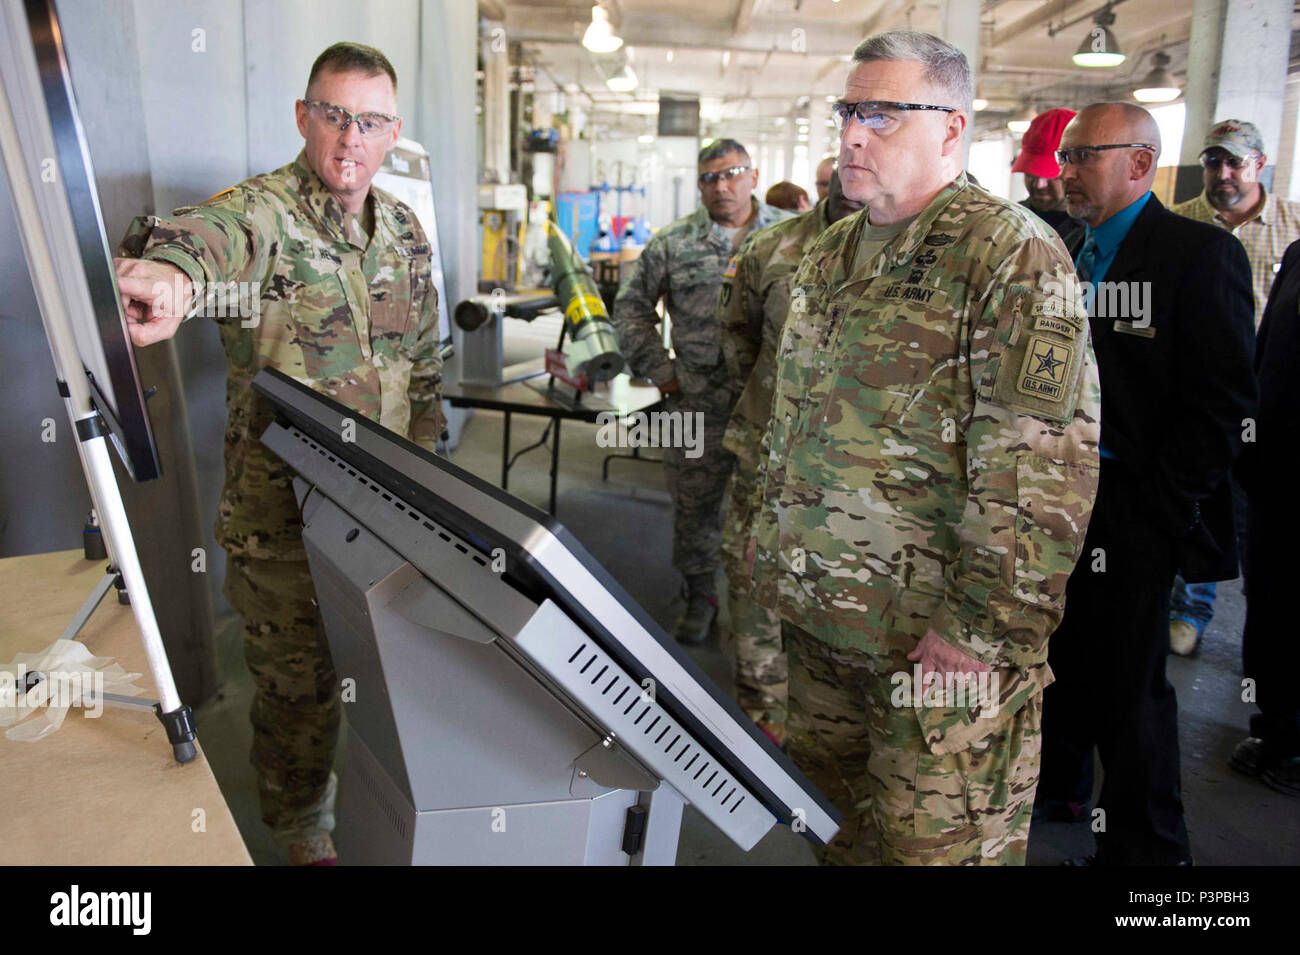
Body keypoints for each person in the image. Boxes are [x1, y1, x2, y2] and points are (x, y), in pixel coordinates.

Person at [749, 30, 1100, 865]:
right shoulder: (831, 252)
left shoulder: (1008, 253)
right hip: (824, 622)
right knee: (838, 837)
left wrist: (979, 632)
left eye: (881, 114)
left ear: (951, 128)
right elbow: (795, 424)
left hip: (935, 645)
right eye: (847, 112)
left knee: (937, 851)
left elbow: (1041, 468)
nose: (852, 135)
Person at [114, 43, 444, 866]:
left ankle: (387, 808)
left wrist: (434, 482)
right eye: (333, 115)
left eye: (368, 121)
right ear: (304, 116)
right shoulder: (267, 211)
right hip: (282, 523)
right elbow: (210, 237)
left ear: (392, 132)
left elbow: (427, 364)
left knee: (391, 678)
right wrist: (173, 276)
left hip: (387, 510)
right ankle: (301, 831)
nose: (348, 140)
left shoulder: (402, 227)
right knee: (298, 692)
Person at [1040, 103, 1256, 865]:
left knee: (1128, 683)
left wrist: (1162, 511)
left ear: (1139, 162)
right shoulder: (1067, 248)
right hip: (1057, 500)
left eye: (1081, 158)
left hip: (1136, 506)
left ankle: (1148, 850)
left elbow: (1223, 401)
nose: (1065, 173)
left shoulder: (1197, 255)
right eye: (1064, 159)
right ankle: (1059, 788)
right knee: (1058, 655)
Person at [612, 139, 789, 645]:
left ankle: (761, 612)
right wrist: (661, 372)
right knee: (693, 507)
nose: (722, 185)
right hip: (692, 403)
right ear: (699, 186)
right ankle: (700, 596)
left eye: (732, 173)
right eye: (710, 177)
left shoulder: (792, 237)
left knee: (770, 508)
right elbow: (630, 309)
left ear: (754, 175)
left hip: (771, 406)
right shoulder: (674, 242)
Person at [717, 170, 864, 752]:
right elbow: (737, 337)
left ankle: (831, 718)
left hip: (862, 469)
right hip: (769, 450)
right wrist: (773, 403)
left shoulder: (919, 250)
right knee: (752, 576)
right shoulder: (770, 247)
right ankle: (762, 717)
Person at [1165, 119, 1300, 656]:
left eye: (1235, 162)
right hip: (1204, 394)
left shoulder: (1292, 227)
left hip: (1274, 398)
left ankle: (1263, 636)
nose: (1222, 173)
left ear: (1259, 164)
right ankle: (1189, 611)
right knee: (1198, 499)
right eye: (1212, 162)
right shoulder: (1181, 226)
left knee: (1262, 520)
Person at [1234, 237, 1300, 797]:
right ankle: (1277, 732)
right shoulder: (1298, 257)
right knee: (1272, 607)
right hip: (1277, 478)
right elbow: (1263, 357)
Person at [1013, 107, 1083, 239]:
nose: (1039, 185)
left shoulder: (1093, 232)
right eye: (1030, 174)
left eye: (1050, 175)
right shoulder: (1010, 220)